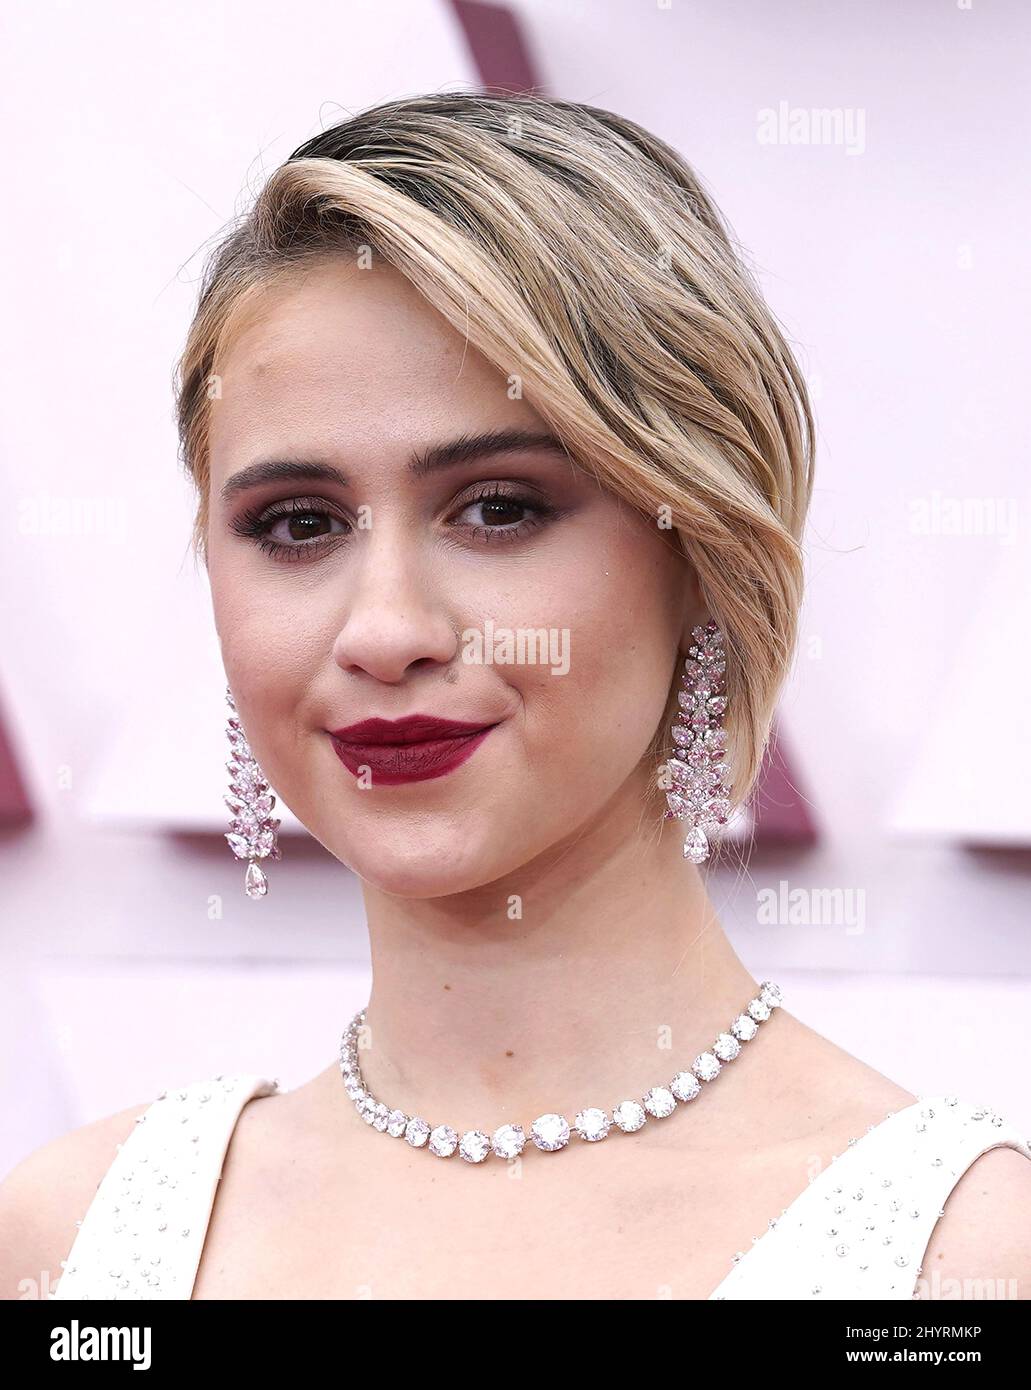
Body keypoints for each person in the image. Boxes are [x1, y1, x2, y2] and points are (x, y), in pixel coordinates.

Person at [3, 92, 1029, 1301]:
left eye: (498, 508)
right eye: (297, 524)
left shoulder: (956, 1267)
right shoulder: (79, 1240)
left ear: (699, 551)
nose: (385, 630)